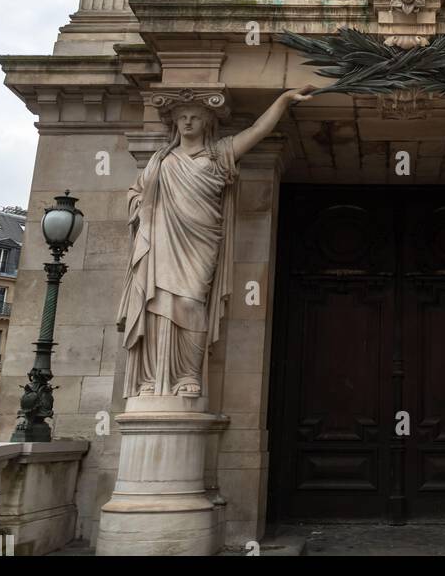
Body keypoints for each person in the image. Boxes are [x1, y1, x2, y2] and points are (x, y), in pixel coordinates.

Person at [117, 87, 313, 398]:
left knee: (192, 303)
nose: (188, 122)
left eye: (195, 117)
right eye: (183, 117)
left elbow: (258, 130)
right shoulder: (160, 160)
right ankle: (155, 377)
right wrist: (142, 208)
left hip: (201, 239)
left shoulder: (220, 154)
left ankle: (188, 374)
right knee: (159, 304)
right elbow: (135, 194)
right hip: (164, 237)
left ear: (208, 122)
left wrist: (284, 100)